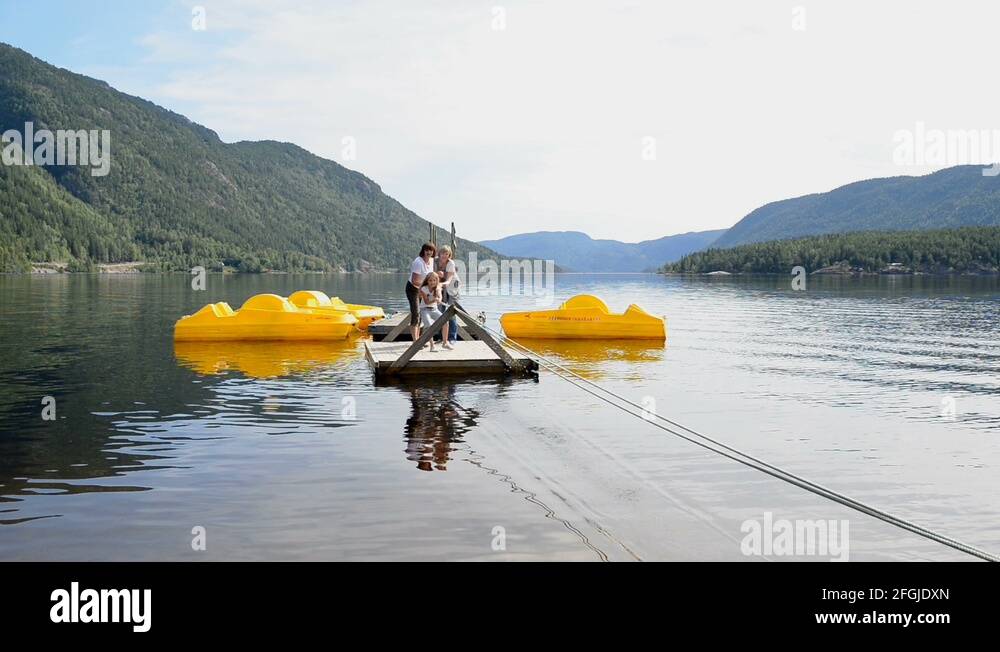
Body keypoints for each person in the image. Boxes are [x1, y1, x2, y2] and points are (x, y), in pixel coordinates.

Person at [406, 243, 436, 341]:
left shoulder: (431, 261)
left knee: (423, 313)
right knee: (416, 314)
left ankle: (419, 339)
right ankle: (416, 341)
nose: (429, 252)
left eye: (431, 250)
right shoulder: (418, 262)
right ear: (423, 251)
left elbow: (430, 276)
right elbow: (415, 281)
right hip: (413, 289)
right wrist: (426, 287)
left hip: (422, 289)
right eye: (427, 250)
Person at [419, 272, 452, 352]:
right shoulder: (423, 289)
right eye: (430, 280)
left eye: (434, 280)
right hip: (425, 309)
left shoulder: (438, 288)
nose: (432, 282)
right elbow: (426, 302)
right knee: (429, 326)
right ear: (427, 281)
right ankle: (432, 346)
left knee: (445, 322)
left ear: (437, 281)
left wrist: (439, 299)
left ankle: (445, 343)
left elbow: (440, 298)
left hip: (434, 309)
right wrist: (434, 299)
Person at [437, 245, 460, 343]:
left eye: (447, 254)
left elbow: (449, 279)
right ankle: (440, 337)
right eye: (443, 253)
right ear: (439, 253)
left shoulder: (451, 263)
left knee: (451, 312)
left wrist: (441, 283)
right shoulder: (435, 261)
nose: (444, 255)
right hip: (441, 288)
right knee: (439, 312)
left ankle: (452, 338)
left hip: (452, 287)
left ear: (449, 255)